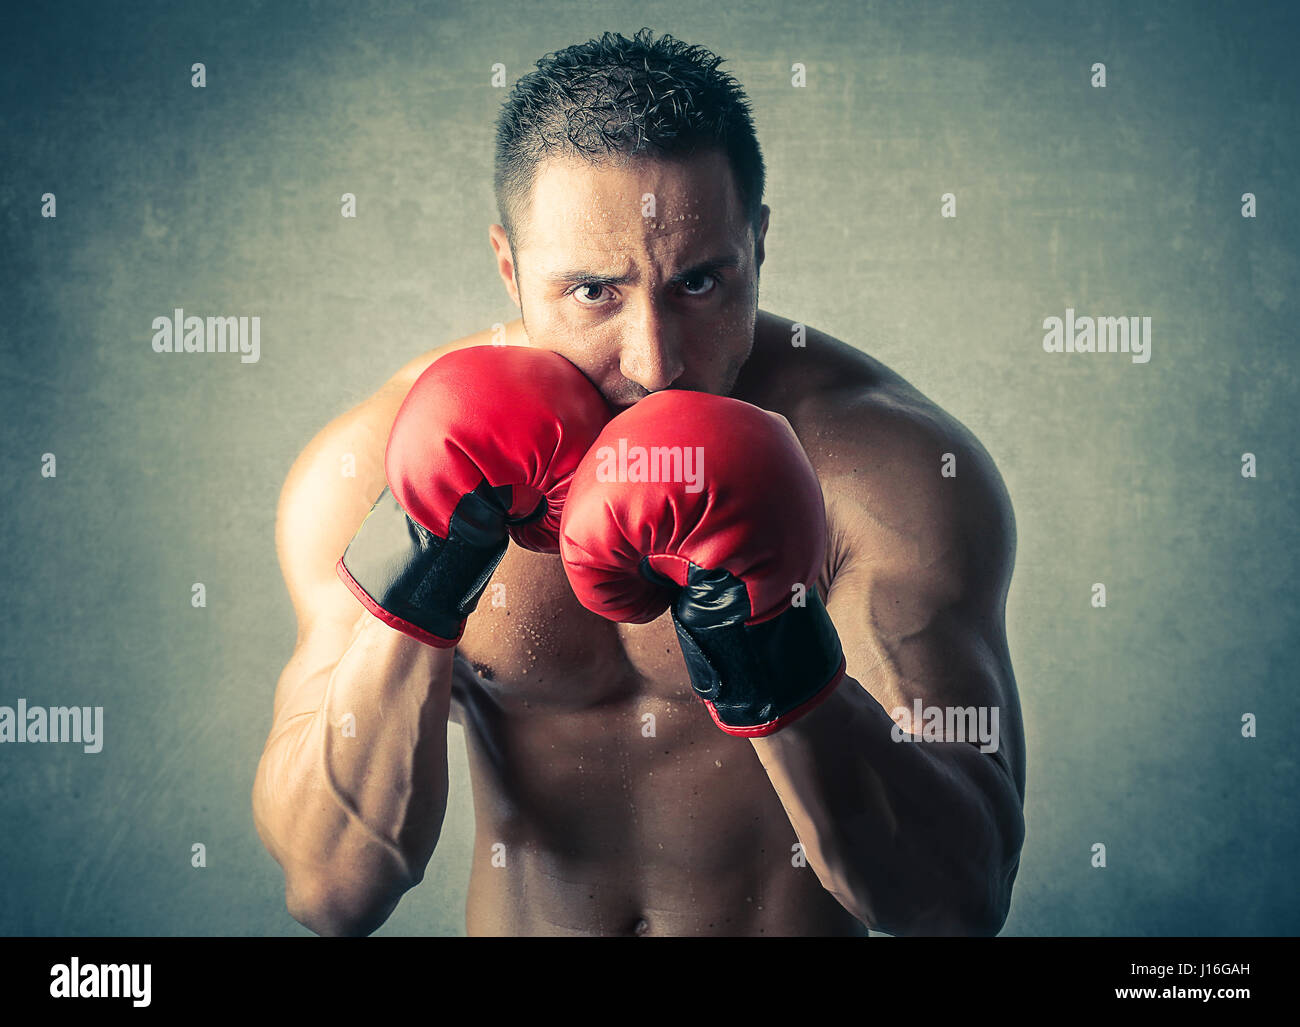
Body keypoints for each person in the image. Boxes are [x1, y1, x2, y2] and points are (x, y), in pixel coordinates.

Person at [252, 28, 1025, 937]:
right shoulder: (380, 463)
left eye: (699, 282)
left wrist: (776, 658)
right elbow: (330, 886)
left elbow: (959, 899)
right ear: (510, 267)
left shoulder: (882, 471)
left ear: (759, 244)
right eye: (593, 292)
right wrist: (424, 571)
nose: (655, 360)